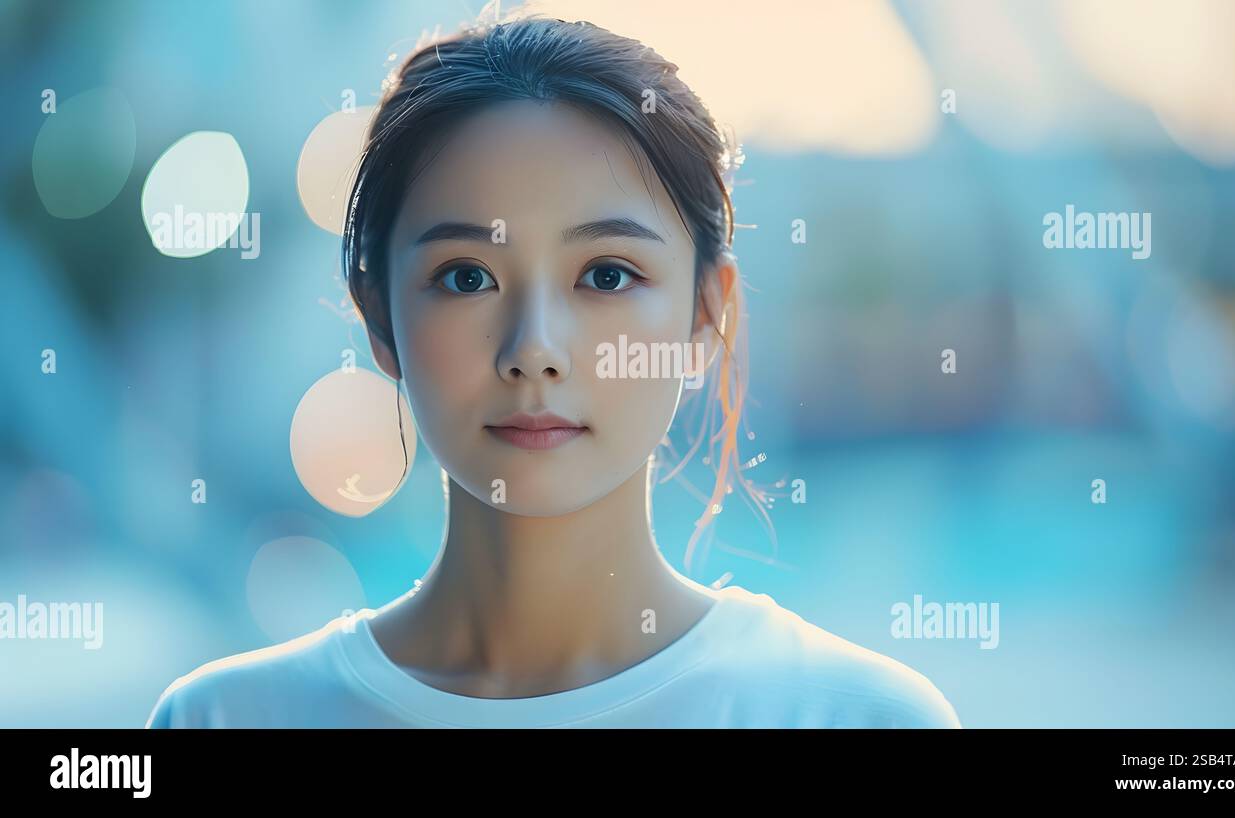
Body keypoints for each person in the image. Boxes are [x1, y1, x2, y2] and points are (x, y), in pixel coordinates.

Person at [147, 14, 960, 728]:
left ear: (707, 314)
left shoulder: (855, 719)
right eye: (467, 276)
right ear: (380, 317)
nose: (533, 348)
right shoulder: (221, 719)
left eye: (606, 275)